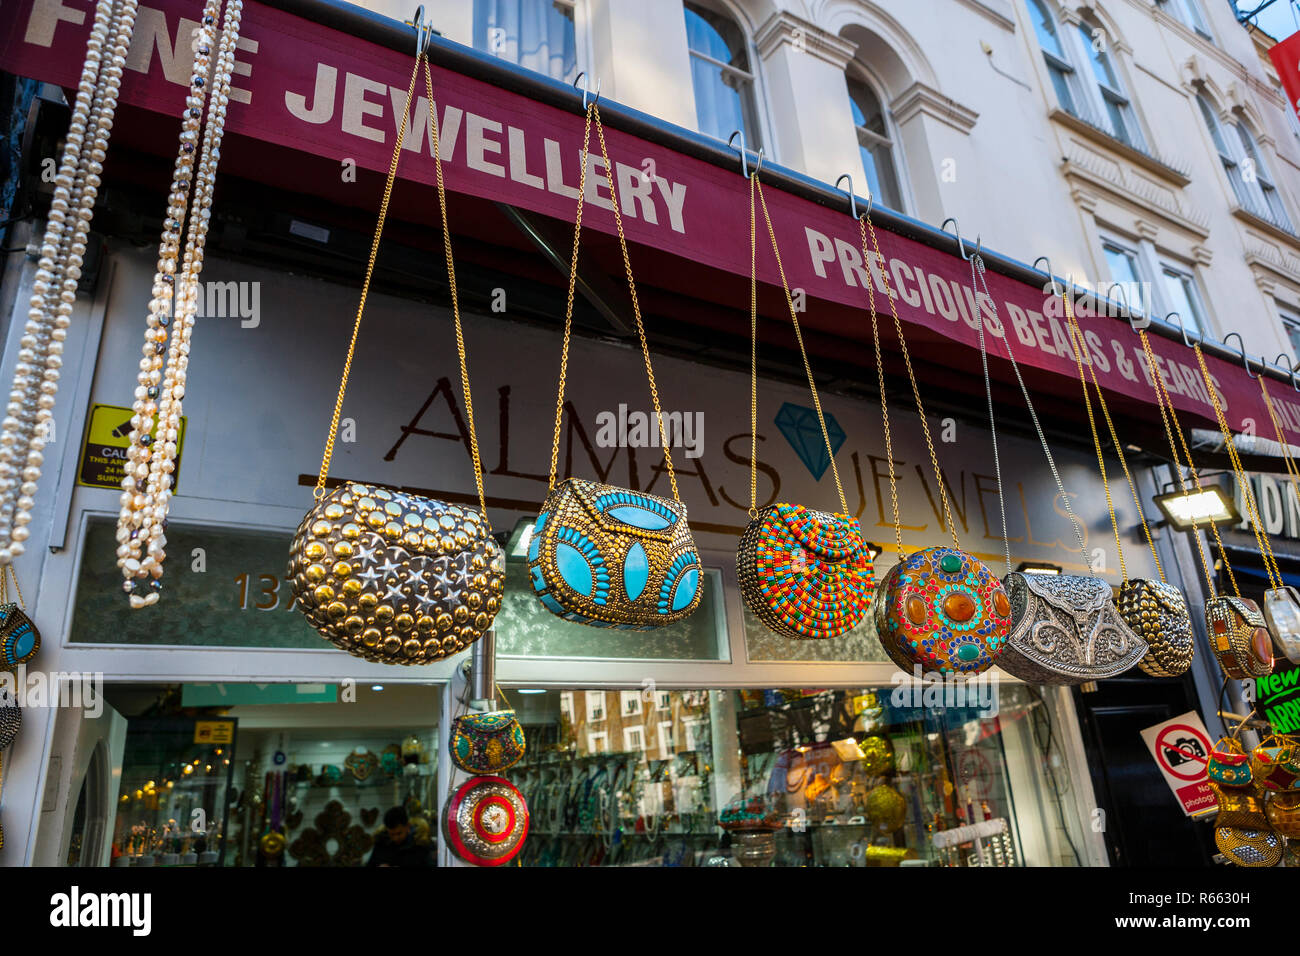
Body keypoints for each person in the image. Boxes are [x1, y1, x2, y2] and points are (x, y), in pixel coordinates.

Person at [366, 806, 434, 867]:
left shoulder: (420, 844)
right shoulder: (382, 843)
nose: (395, 838)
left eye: (399, 833)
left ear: (408, 826)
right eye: (392, 834)